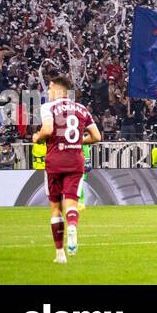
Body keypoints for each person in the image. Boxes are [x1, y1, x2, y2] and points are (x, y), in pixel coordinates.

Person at [32, 75, 101, 263]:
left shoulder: (48, 107)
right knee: (70, 204)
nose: (48, 92)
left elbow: (47, 130)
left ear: (56, 88)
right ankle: (72, 225)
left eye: (49, 88)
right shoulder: (82, 109)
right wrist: (79, 140)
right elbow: (96, 136)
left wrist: (37, 137)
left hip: (54, 161)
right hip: (75, 160)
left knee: (55, 207)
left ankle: (60, 254)